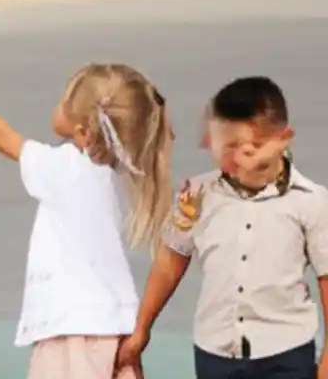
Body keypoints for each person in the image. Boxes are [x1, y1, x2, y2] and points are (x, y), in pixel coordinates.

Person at [0, 62, 174, 379]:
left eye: (65, 102)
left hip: (74, 335)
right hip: (115, 331)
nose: (57, 105)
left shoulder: (65, 170)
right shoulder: (125, 172)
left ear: (84, 133)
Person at [114, 76, 328, 379]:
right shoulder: (196, 195)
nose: (237, 157)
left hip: (286, 353)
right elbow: (169, 263)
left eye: (251, 147)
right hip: (215, 353)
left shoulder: (311, 201)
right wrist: (141, 330)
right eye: (226, 146)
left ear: (284, 138)